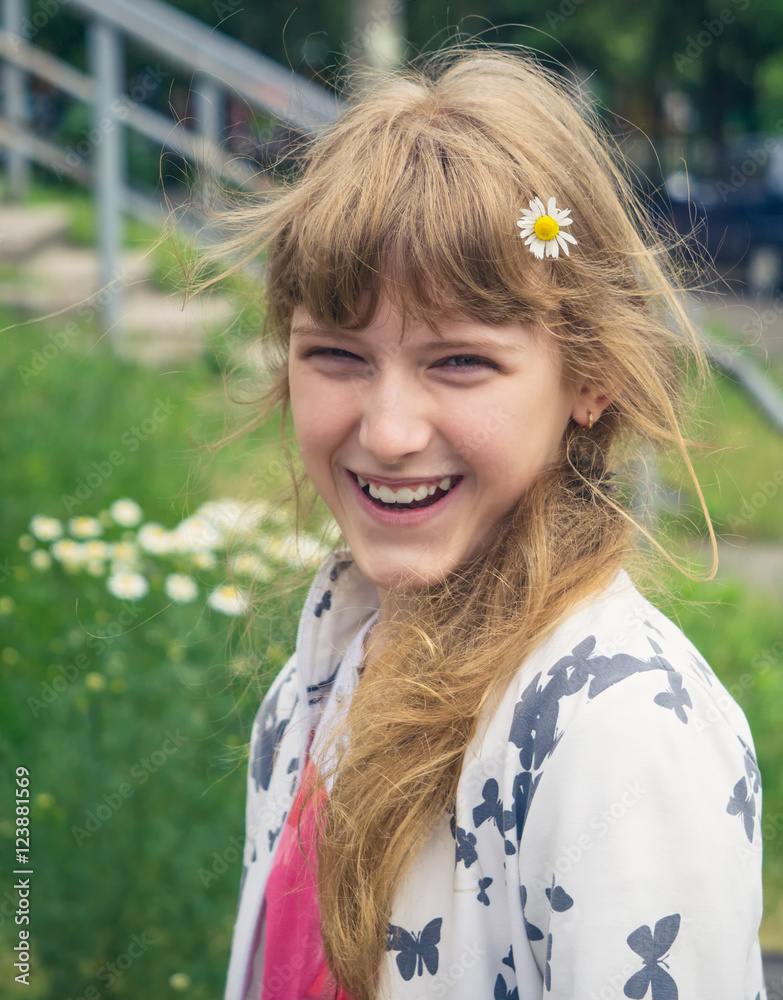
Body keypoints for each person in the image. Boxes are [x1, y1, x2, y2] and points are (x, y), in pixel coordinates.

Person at [203, 48, 766, 1000]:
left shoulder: (619, 734)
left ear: (590, 376)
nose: (388, 432)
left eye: (460, 362)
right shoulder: (317, 685)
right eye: (336, 355)